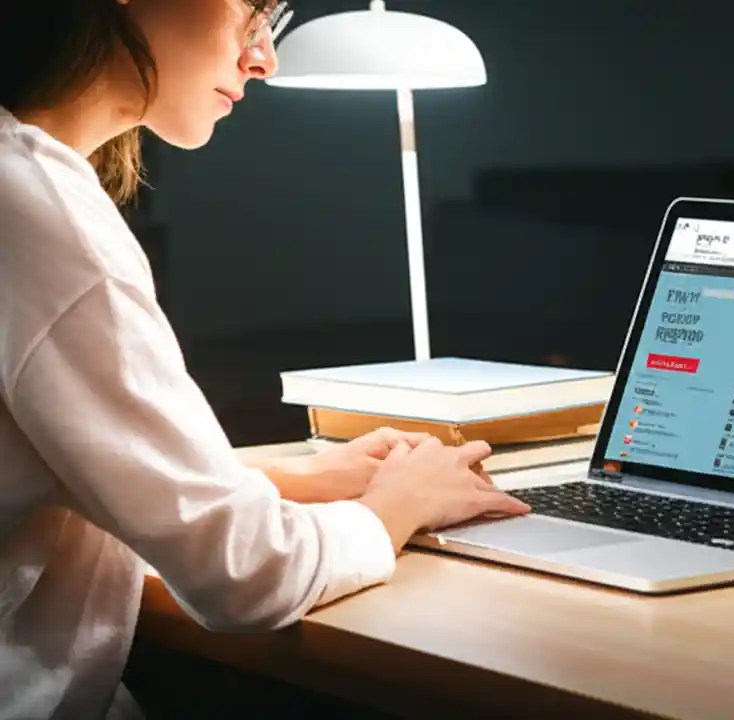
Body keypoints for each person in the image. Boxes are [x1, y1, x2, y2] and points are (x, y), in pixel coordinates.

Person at [0, 2, 531, 717]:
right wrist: (401, 503)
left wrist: (283, 480)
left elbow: (44, 467)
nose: (264, 58)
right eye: (256, 11)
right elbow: (245, 573)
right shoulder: (40, 215)